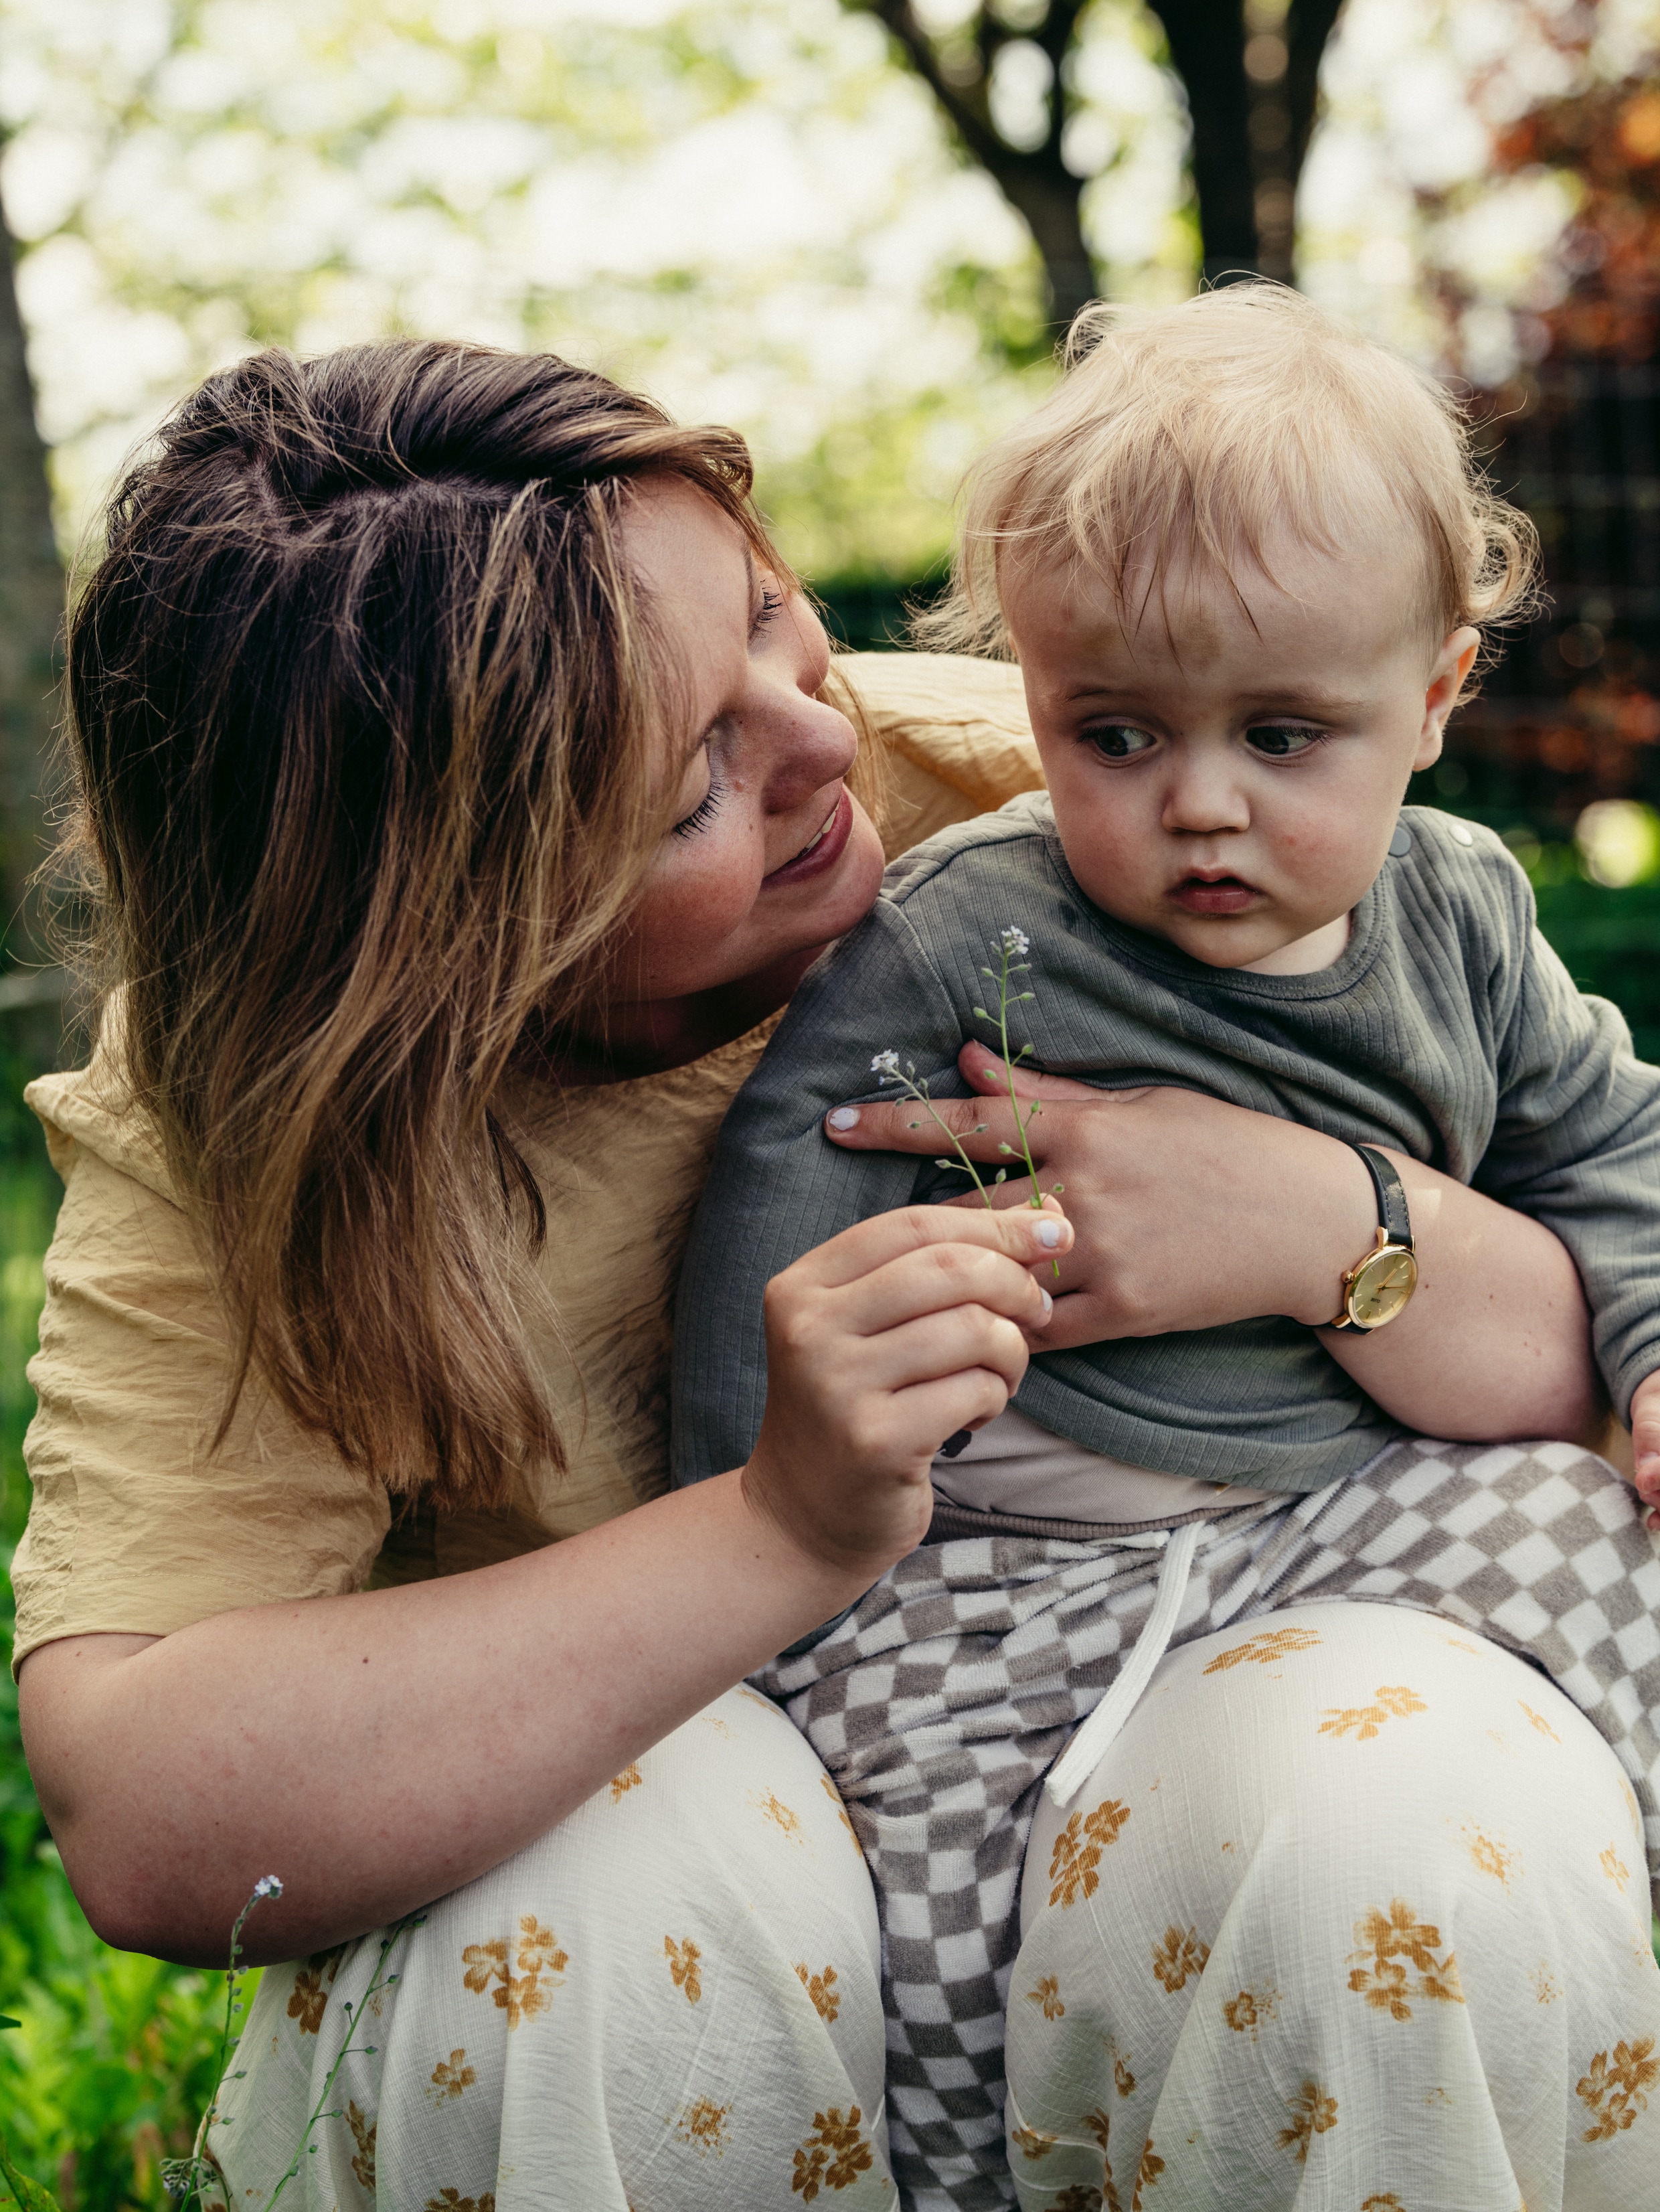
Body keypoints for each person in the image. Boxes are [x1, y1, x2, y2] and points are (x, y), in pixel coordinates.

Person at [5, 337, 1624, 2212]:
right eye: (695, 783)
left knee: (1390, 1826)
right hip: (732, 1833)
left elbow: (1598, 1327)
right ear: (455, 921)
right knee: (588, 1910)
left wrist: (1331, 1222)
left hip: (1243, 1667)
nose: (822, 740)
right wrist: (781, 1523)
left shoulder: (1112, 769)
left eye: (779, 622)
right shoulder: (245, 1121)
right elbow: (147, 1810)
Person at [673, 286, 1660, 2210]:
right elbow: (785, 1207)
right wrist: (756, 1485)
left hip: (1353, 1507)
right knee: (938, 1926)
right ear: (1033, 688)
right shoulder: (977, 936)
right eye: (1112, 732)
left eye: (1284, 735)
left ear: (1439, 699)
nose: (1199, 802)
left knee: (1595, 1534)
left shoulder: (1459, 915)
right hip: (1013, 1549)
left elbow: (1610, 1141)